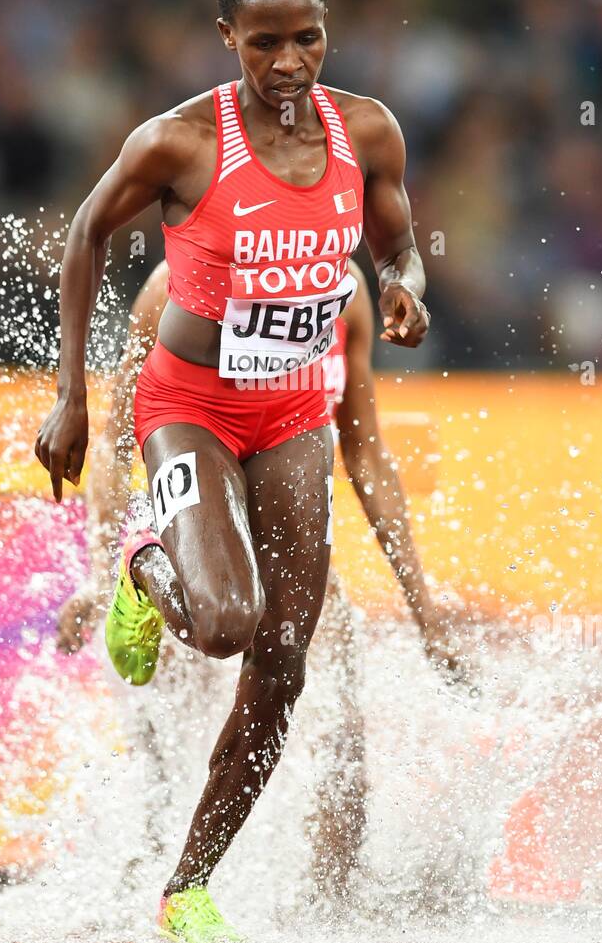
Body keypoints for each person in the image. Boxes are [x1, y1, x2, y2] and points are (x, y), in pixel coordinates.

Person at [35, 0, 430, 943]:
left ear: (327, 30)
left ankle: (187, 886)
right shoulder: (180, 143)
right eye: (263, 43)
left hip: (292, 414)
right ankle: (140, 571)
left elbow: (394, 237)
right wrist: (73, 399)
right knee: (221, 625)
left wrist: (404, 288)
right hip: (191, 407)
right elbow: (85, 233)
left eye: (306, 38)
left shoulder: (368, 133)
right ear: (227, 39)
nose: (288, 63)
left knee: (284, 661)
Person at [56, 257, 461, 903]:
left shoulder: (346, 294)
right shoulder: (172, 287)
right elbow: (114, 443)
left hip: (284, 545)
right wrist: (101, 574)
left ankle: (334, 909)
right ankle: (147, 878)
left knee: (339, 732)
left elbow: (366, 452)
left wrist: (425, 610)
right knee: (168, 740)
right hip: (198, 540)